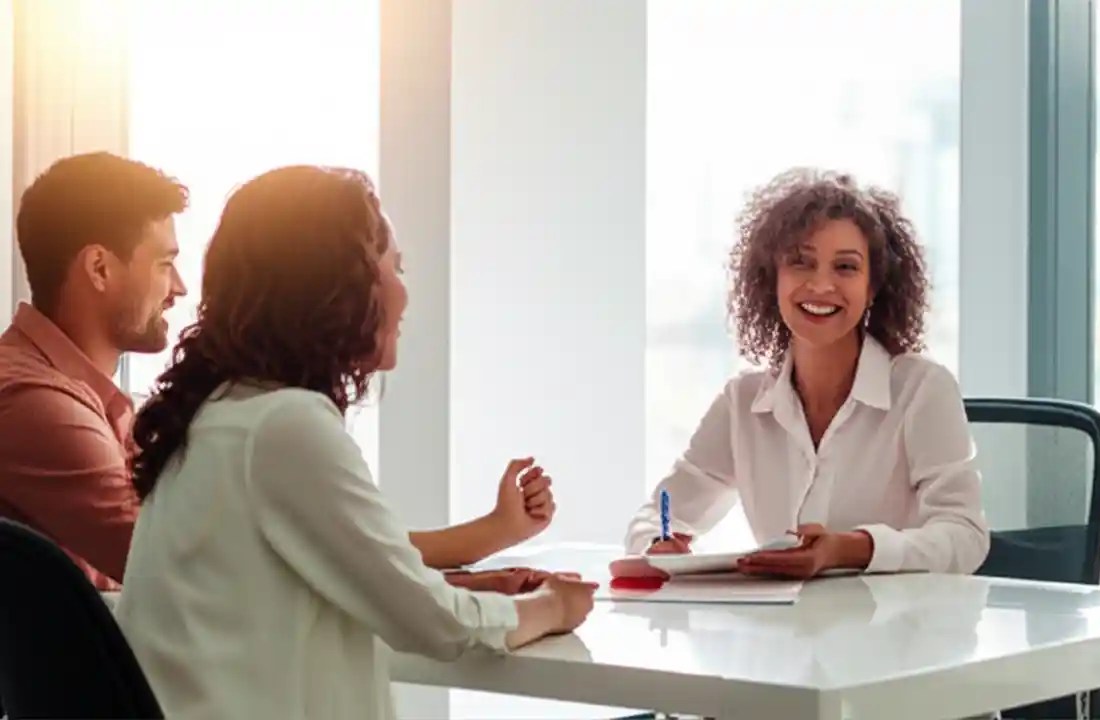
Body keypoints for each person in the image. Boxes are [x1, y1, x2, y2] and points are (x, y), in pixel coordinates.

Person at [115, 165, 596, 720]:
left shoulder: (221, 412)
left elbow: (349, 575)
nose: (404, 295)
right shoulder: (284, 426)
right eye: (395, 267)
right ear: (335, 287)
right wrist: (553, 605)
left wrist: (475, 581)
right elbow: (437, 625)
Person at [625, 168, 989, 577]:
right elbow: (656, 516)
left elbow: (965, 536)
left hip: (897, 630)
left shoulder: (922, 389)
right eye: (801, 263)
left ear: (873, 287)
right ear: (771, 280)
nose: (821, 285)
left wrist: (851, 549)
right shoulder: (742, 402)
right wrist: (659, 544)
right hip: (786, 634)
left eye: (846, 268)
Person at [0, 152, 188, 590]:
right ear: (100, 268)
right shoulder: (30, 400)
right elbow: (177, 566)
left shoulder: (91, 401)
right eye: (164, 263)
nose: (179, 287)